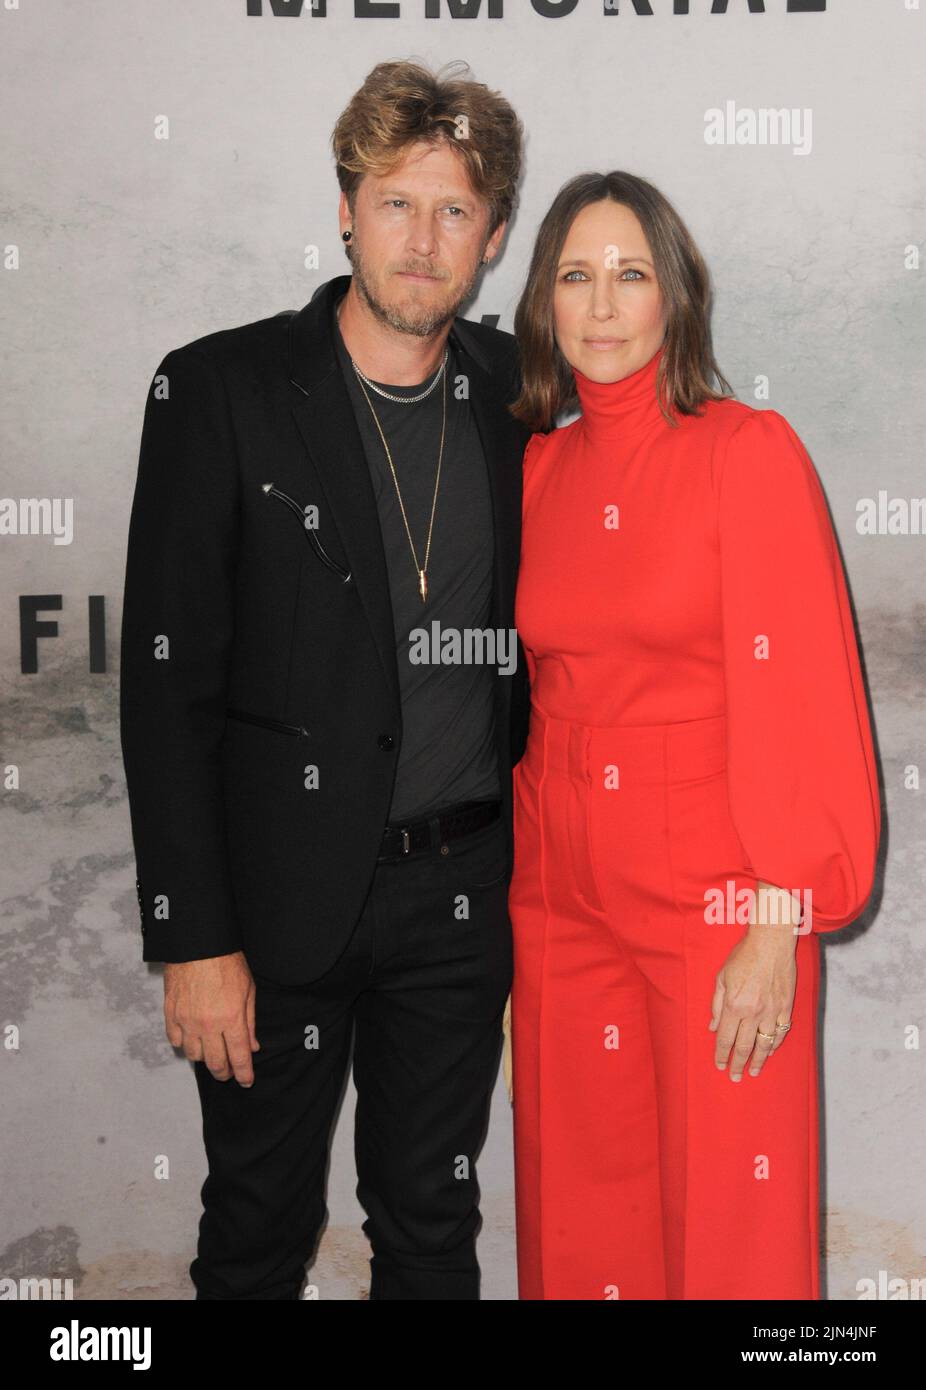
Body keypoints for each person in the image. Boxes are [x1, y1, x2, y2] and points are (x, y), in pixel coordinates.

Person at [119, 59, 531, 1300]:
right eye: (396, 201)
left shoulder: (522, 397)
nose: (422, 238)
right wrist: (193, 937)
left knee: (426, 1230)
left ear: (493, 237)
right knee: (254, 1228)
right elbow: (165, 684)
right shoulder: (221, 389)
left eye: (454, 210)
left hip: (459, 898)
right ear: (344, 208)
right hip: (278, 898)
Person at [505, 171, 881, 1300]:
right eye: (576, 276)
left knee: (729, 1223)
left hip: (715, 897)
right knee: (577, 1215)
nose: (603, 304)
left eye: (629, 274)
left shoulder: (743, 450)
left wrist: (778, 919)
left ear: (674, 296)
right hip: (559, 891)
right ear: (544, 303)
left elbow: (804, 691)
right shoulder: (537, 468)